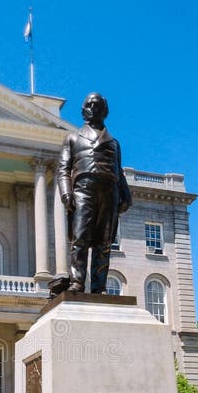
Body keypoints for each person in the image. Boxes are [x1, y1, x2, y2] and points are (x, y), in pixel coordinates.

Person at [56, 93, 132, 293]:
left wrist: (126, 194)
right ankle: (77, 282)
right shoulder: (72, 137)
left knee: (104, 241)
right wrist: (66, 194)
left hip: (109, 191)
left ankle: (99, 287)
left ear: (105, 111)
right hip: (83, 189)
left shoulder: (114, 143)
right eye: (89, 105)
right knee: (80, 237)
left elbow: (119, 171)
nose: (93, 108)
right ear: (83, 110)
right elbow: (63, 169)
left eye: (97, 105)